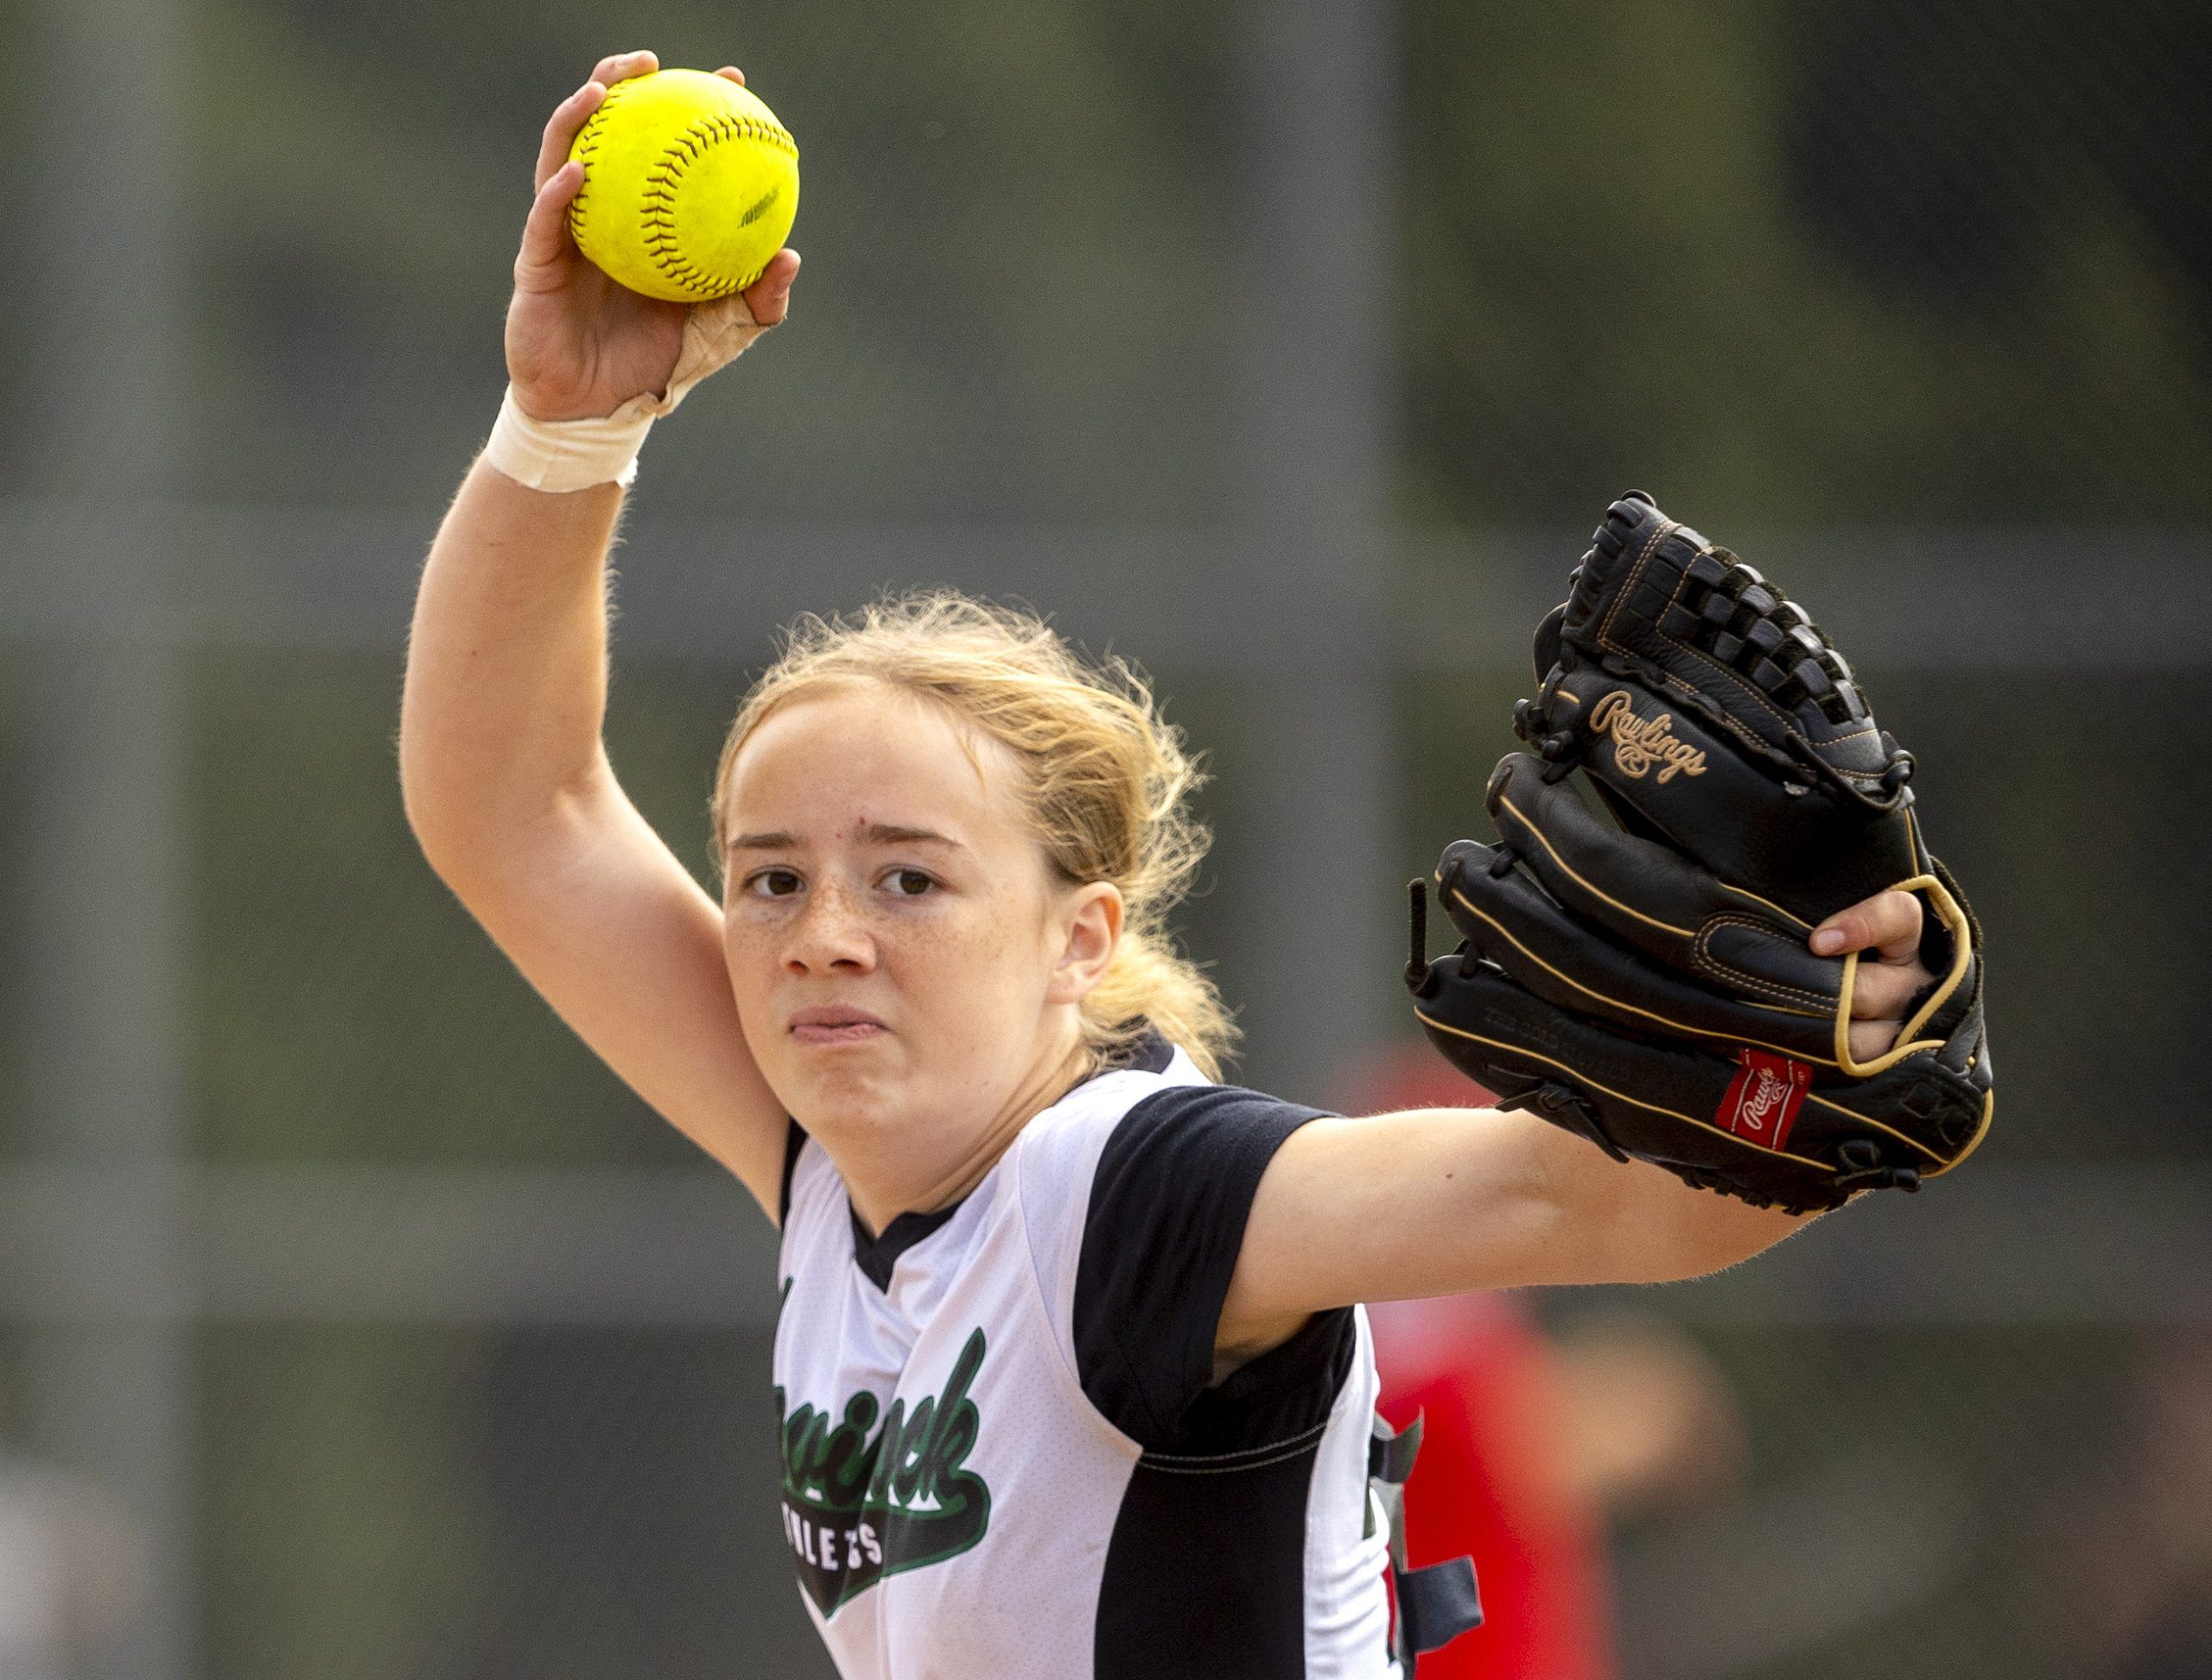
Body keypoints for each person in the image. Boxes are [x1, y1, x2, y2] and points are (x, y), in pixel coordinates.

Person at [397, 50, 1947, 1679]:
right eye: (769, 877)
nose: (822, 934)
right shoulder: (837, 1160)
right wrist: (566, 429)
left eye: (911, 878)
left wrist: (1815, 1062)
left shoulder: (1137, 1193)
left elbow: (1584, 1195)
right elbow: (511, 807)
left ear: (1084, 938)